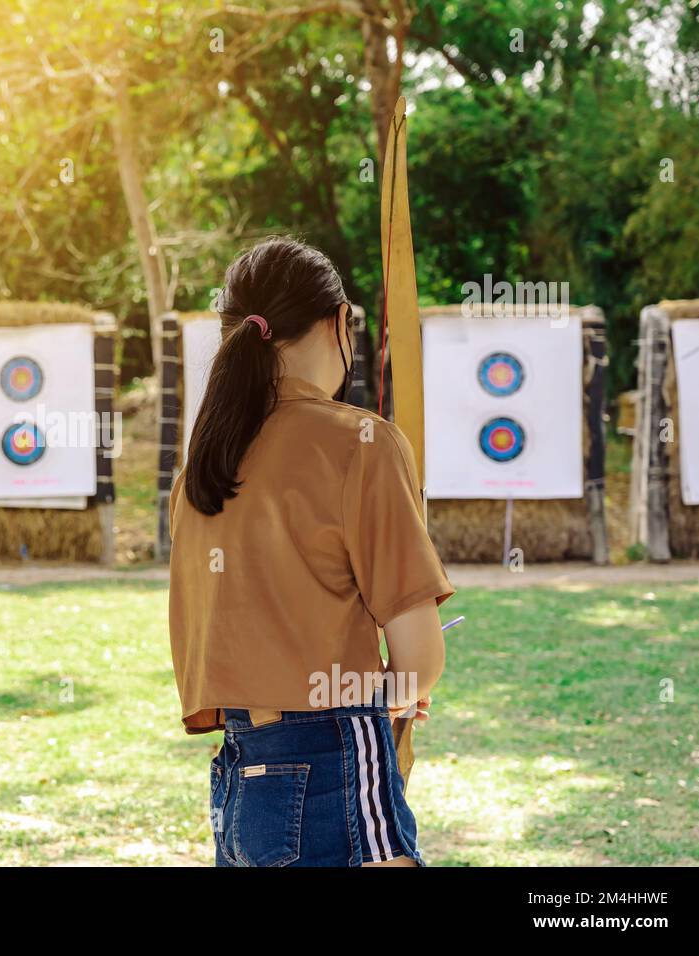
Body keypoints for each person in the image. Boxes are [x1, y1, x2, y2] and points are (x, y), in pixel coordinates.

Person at [168, 236, 454, 867]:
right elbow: (419, 662)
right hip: (332, 760)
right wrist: (393, 688)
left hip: (241, 775)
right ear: (339, 321)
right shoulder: (361, 443)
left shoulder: (199, 473)